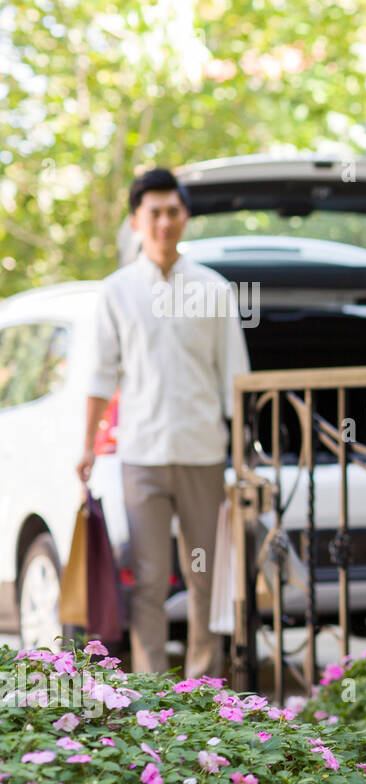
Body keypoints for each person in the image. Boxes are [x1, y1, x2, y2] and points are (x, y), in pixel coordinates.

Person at [77, 167, 251, 680]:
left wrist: (241, 456)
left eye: (173, 211)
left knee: (205, 578)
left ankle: (203, 690)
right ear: (136, 220)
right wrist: (86, 446)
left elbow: (234, 378)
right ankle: (151, 693)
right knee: (150, 581)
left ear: (185, 217)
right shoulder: (116, 291)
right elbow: (100, 376)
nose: (163, 222)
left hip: (201, 453)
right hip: (142, 456)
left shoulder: (215, 290)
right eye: (153, 212)